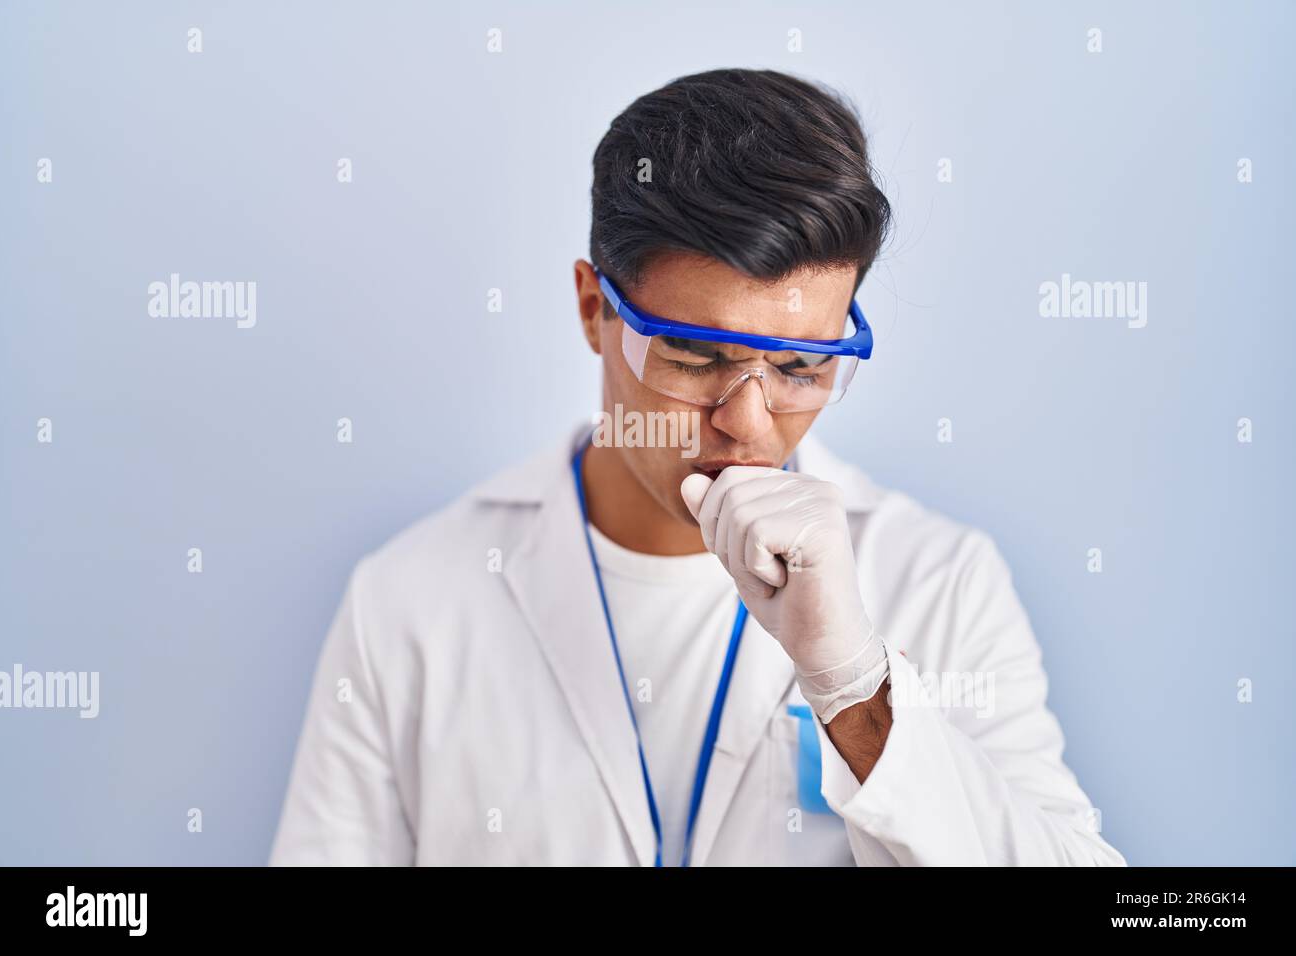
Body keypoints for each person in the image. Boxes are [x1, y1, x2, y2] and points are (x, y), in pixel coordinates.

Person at [268, 68, 1125, 867]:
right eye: (692, 354)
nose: (747, 423)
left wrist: (853, 686)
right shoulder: (410, 601)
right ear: (592, 309)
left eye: (800, 367)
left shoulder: (941, 582)